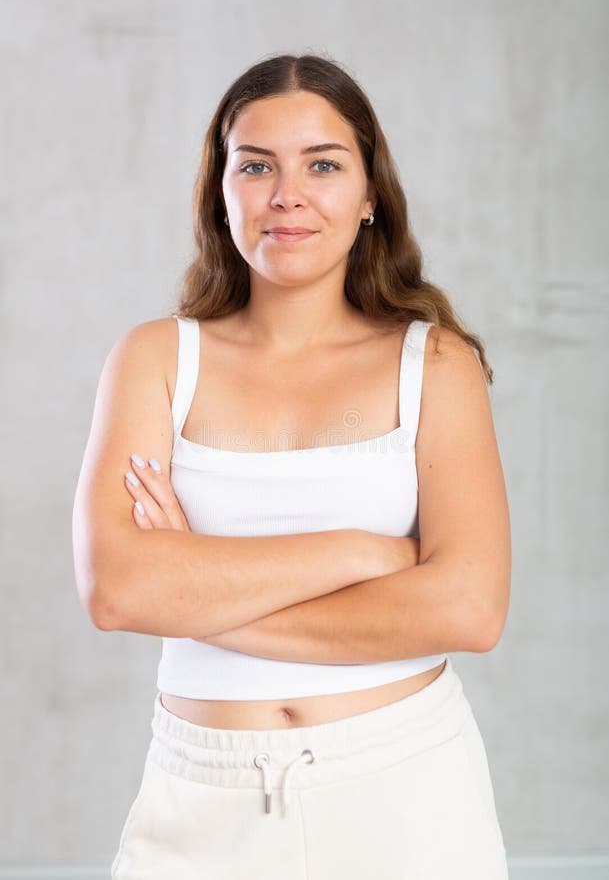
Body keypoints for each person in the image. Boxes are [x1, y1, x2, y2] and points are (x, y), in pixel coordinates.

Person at [72, 52, 511, 878]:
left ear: (370, 193)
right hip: (199, 803)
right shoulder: (155, 359)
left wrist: (197, 593)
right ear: (220, 192)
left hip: (407, 791)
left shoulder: (436, 365)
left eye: (323, 164)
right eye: (256, 166)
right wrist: (357, 554)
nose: (288, 195)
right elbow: (116, 590)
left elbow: (468, 609)